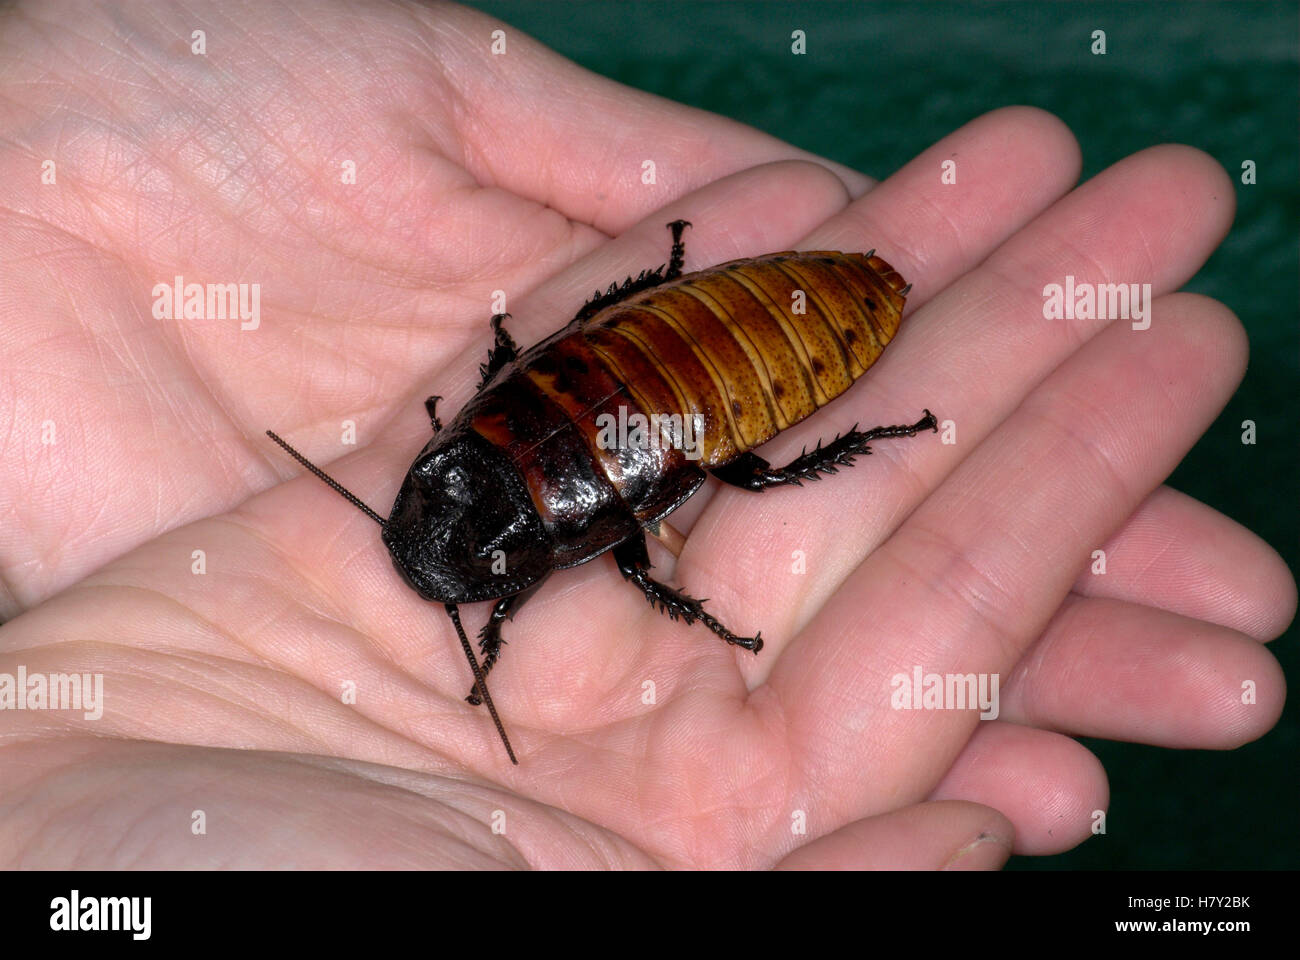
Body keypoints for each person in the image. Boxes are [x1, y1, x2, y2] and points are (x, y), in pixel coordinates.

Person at [0, 0, 1290, 869]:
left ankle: (853, 405)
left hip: (742, 348)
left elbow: (551, 394)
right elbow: (545, 350)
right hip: (689, 338)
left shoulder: (572, 522)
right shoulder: (510, 422)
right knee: (755, 471)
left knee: (758, 470)